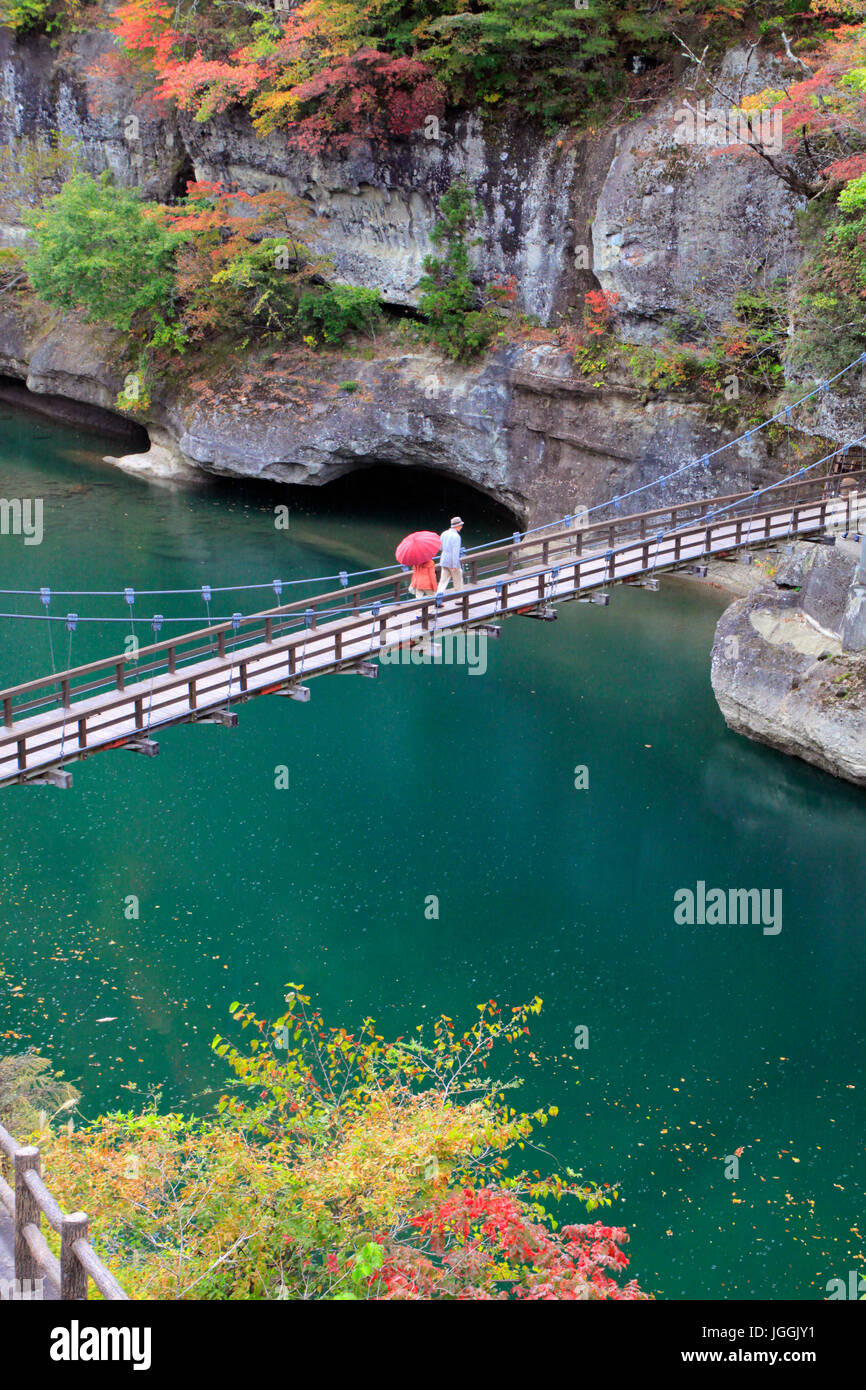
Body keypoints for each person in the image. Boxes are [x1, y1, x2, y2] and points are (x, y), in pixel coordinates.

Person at [437, 516, 464, 593]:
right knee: (458, 581)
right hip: (452, 562)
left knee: (443, 581)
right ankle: (459, 599)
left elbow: (440, 548)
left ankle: (438, 598)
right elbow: (455, 552)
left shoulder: (444, 533)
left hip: (444, 560)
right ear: (458, 526)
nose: (461, 527)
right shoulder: (456, 536)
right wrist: (455, 565)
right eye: (461, 525)